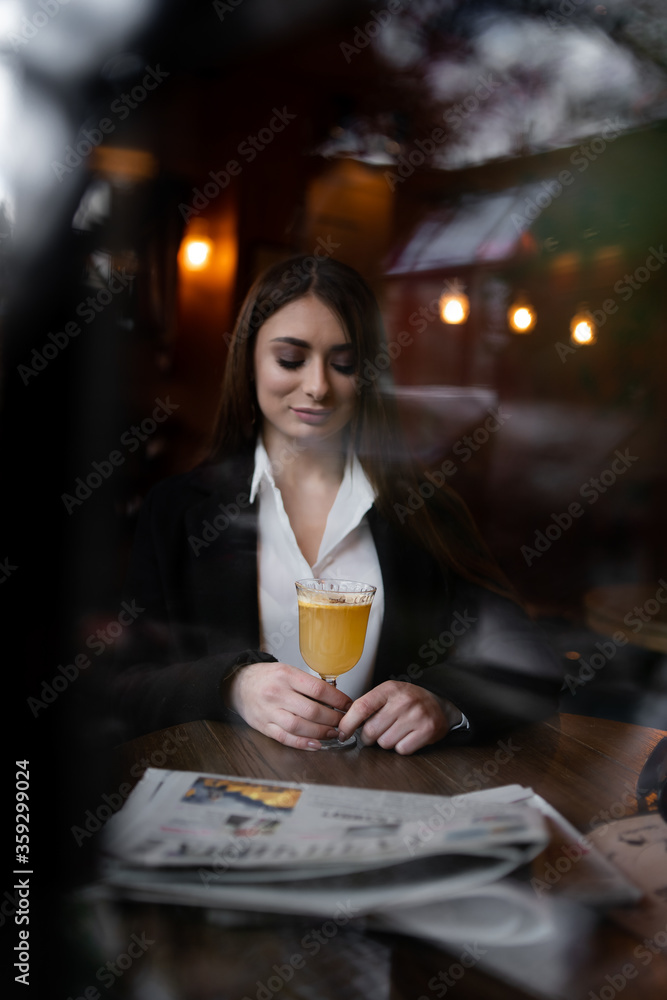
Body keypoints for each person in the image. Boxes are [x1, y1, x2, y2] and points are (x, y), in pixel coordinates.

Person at [114, 255, 562, 751]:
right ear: (247, 361)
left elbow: (529, 661)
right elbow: (117, 685)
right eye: (290, 359)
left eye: (344, 364)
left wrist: (444, 702)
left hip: (386, 805)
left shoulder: (427, 511)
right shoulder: (176, 511)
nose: (318, 386)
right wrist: (230, 686)